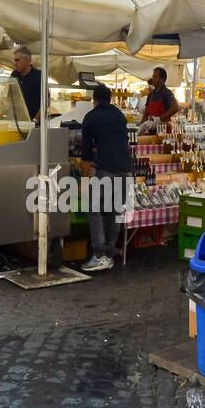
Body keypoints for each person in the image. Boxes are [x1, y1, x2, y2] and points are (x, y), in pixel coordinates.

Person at [79, 83, 133, 273]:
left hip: (107, 171)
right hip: (126, 170)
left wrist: (84, 182)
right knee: (113, 211)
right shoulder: (119, 116)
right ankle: (109, 254)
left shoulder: (91, 117)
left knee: (94, 209)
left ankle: (99, 255)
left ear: (94, 100)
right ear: (110, 99)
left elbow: (85, 154)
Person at [11, 44, 43, 123]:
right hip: (17, 123)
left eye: (17, 60)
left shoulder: (38, 75)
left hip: (34, 124)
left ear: (28, 60)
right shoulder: (14, 75)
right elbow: (9, 97)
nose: (15, 63)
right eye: (14, 60)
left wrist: (35, 120)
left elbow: (46, 102)